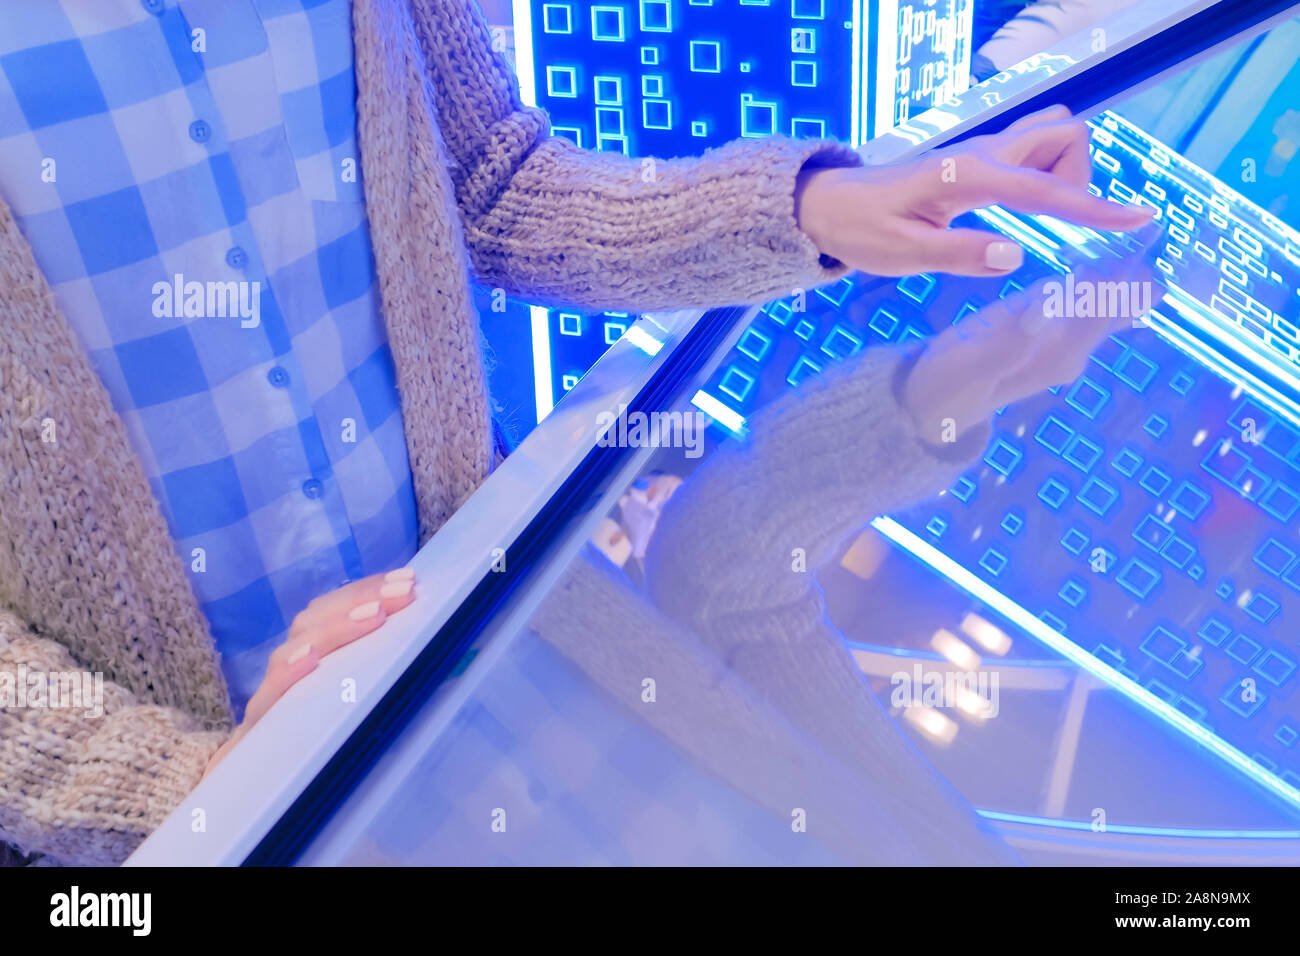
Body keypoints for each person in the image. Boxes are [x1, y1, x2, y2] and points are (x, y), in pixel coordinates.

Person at [0, 0, 1152, 865]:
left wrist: (805, 212)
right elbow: (729, 580)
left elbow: (489, 179)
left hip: (503, 668)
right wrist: (200, 793)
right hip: (263, 808)